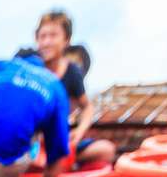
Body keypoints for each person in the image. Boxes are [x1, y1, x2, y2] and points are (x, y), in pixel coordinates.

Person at [32, 10, 116, 168]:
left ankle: (63, 165)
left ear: (66, 40)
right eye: (43, 36)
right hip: (30, 143)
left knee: (106, 150)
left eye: (53, 35)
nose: (47, 42)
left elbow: (87, 106)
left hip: (58, 142)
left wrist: (79, 131)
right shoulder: (29, 67)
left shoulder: (71, 72)